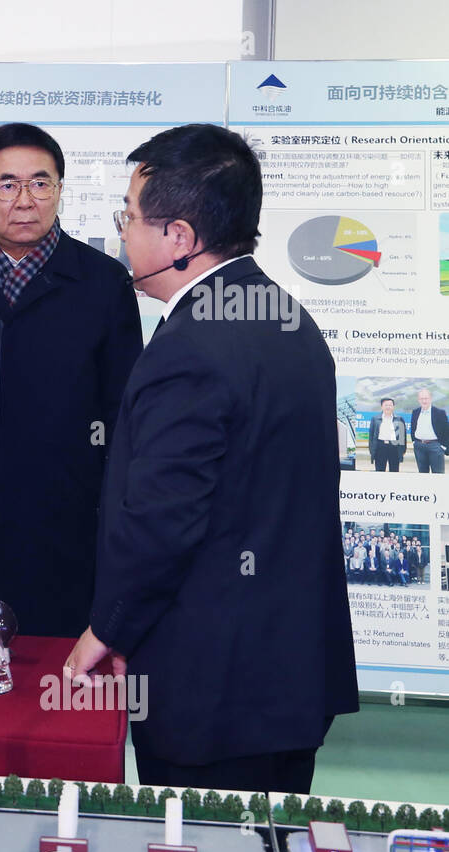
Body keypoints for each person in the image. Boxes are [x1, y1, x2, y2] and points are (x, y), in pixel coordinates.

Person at [65, 124, 358, 794]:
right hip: (286, 683)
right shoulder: (289, 319)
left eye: (130, 218)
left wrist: (105, 630)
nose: (123, 235)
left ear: (178, 238)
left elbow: (163, 523)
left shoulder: (191, 347)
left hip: (212, 690)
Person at [0, 123, 142, 636]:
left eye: (41, 184)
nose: (25, 200)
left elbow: (124, 412)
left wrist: (110, 519)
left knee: (56, 680)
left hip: (67, 527)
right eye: (7, 184)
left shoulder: (103, 283)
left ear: (60, 190)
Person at [410, 388, 448, 474]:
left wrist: (443, 447)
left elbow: (446, 431)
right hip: (419, 447)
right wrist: (414, 442)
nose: (424, 401)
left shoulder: (440, 412)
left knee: (438, 474)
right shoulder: (415, 412)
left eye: (426, 398)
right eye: (422, 398)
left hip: (435, 447)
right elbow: (413, 428)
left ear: (430, 399)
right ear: (418, 400)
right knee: (423, 474)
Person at [368, 398, 406, 472]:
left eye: (390, 405)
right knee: (379, 471)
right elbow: (371, 436)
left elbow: (402, 437)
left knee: (394, 471)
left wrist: (402, 450)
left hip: (394, 447)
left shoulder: (399, 419)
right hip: (380, 447)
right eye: (386, 405)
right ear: (382, 406)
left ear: (393, 407)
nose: (388, 407)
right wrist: (372, 450)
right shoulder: (375, 419)